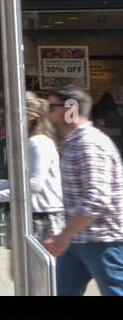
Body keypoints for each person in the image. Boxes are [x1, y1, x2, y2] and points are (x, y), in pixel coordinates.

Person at [41, 86, 123, 296]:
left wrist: (63, 236)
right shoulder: (72, 142)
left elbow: (97, 198)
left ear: (70, 110)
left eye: (51, 107)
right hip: (78, 239)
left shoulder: (89, 144)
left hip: (104, 240)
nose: (47, 112)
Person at [0, 93, 63, 241]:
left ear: (31, 116)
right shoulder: (29, 142)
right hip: (29, 214)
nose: (8, 119)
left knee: (33, 264)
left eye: (14, 113)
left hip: (41, 216)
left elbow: (33, 185)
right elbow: (21, 181)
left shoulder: (39, 143)